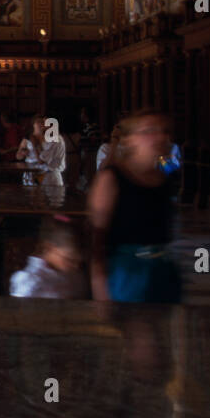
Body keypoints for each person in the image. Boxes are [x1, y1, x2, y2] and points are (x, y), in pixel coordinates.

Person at [88, 109, 181, 303]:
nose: (160, 136)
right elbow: (95, 240)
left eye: (164, 131)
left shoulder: (163, 176)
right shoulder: (112, 177)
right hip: (127, 275)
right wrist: (100, 289)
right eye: (149, 131)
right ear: (129, 140)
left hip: (163, 270)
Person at [9, 216, 86, 298]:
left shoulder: (73, 277)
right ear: (49, 248)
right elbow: (20, 309)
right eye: (69, 259)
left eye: (78, 261)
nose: (75, 266)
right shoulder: (29, 278)